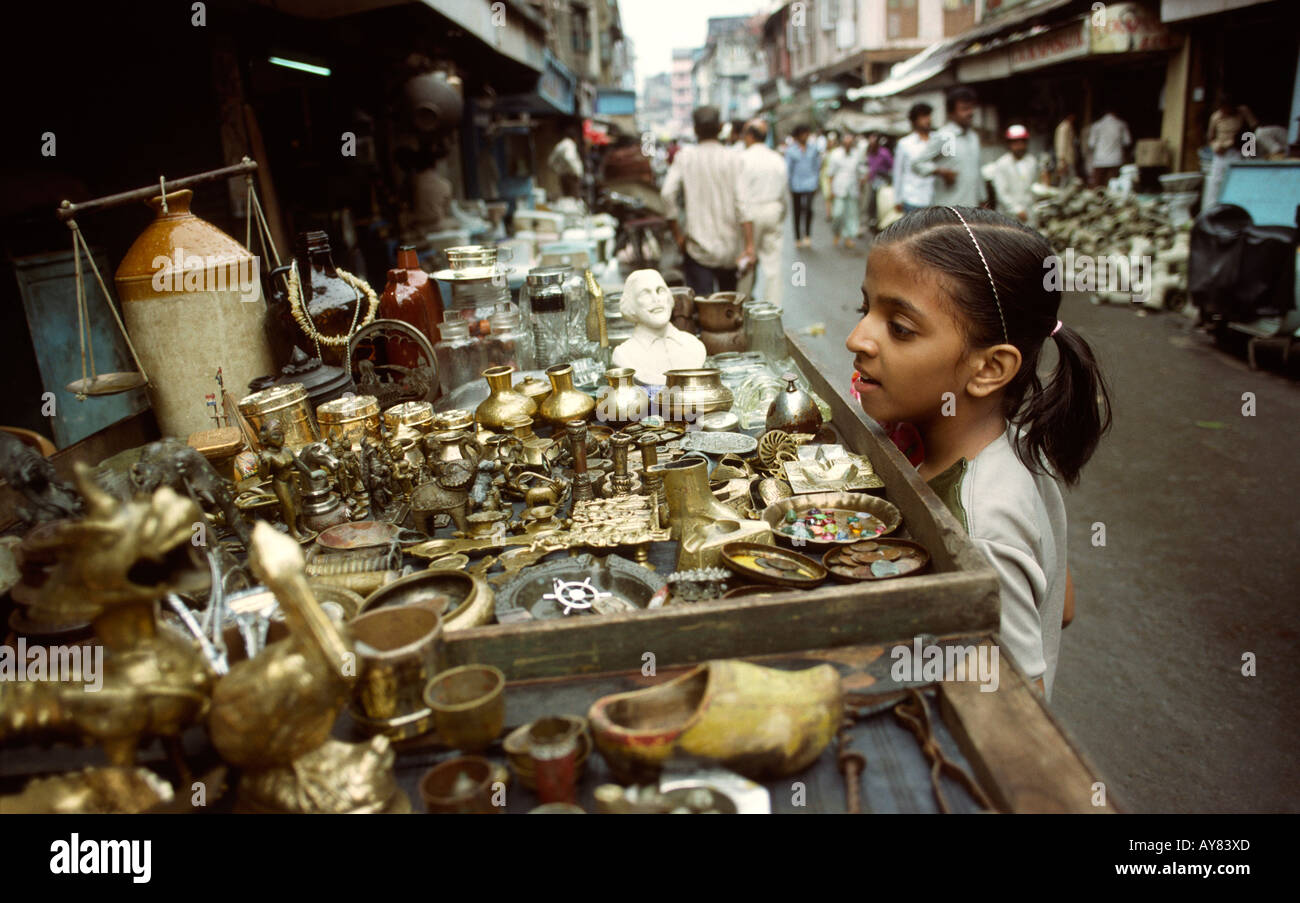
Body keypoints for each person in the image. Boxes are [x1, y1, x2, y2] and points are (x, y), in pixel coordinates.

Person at [846, 206, 1112, 697]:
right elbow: (1062, 602)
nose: (857, 338)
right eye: (864, 310)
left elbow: (1017, 706)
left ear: (989, 369)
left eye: (900, 328)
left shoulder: (981, 524)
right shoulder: (1011, 443)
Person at [662, 106, 747, 297]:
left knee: (702, 308)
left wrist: (677, 234)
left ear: (695, 129)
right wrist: (749, 246)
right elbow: (743, 204)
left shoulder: (685, 157)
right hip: (730, 248)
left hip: (697, 248)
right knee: (728, 308)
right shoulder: (733, 158)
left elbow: (667, 193)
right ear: (720, 127)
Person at [736, 119, 790, 306]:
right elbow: (784, 194)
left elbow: (741, 199)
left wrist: (748, 239)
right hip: (773, 210)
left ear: (750, 136)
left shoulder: (743, 158)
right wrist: (781, 215)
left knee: (747, 262)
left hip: (752, 213)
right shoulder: (777, 158)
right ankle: (772, 309)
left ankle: (742, 306)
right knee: (772, 266)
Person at [913, 87, 987, 208]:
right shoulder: (945, 136)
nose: (970, 113)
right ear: (951, 113)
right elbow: (917, 163)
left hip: (972, 208)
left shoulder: (973, 137)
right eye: (964, 109)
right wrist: (939, 171)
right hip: (949, 210)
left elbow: (977, 171)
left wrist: (983, 199)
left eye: (971, 108)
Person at [1203, 92, 1258, 208]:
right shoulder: (1216, 117)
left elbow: (1254, 128)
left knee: (1238, 178)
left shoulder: (1242, 111)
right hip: (1221, 151)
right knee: (1215, 180)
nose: (1226, 110)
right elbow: (1210, 138)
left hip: (1238, 149)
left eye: (1228, 107)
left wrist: (1248, 148)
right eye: (1223, 108)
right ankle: (1211, 208)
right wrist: (1215, 146)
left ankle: (1237, 206)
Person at [990, 124, 1040, 226]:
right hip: (1008, 216)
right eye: (1016, 143)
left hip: (1029, 214)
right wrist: (1017, 210)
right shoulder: (1002, 164)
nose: (1019, 146)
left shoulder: (1032, 162)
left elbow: (1034, 186)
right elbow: (1002, 193)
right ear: (1009, 144)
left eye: (1022, 142)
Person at [892, 102, 934, 215]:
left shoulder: (937, 141)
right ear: (914, 120)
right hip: (912, 199)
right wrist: (897, 199)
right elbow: (898, 172)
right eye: (923, 117)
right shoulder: (905, 144)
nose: (927, 120)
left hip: (934, 199)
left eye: (928, 116)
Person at [785, 124, 821, 249]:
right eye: (802, 134)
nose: (805, 136)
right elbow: (788, 169)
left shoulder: (813, 149)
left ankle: (807, 235)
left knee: (809, 209)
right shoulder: (791, 151)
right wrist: (788, 185)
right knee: (797, 211)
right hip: (796, 184)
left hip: (810, 183)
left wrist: (817, 182)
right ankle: (797, 237)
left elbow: (817, 167)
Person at [825, 132, 863, 249]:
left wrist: (861, 185)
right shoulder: (835, 155)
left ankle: (847, 237)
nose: (848, 144)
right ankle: (836, 232)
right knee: (838, 213)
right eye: (846, 141)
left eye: (850, 142)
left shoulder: (857, 154)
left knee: (851, 215)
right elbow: (830, 174)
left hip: (852, 189)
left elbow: (860, 172)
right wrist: (830, 190)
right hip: (839, 188)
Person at [1087, 106, 1131, 188]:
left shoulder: (1097, 125)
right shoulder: (1121, 125)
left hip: (1100, 159)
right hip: (1116, 159)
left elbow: (1091, 144)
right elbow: (1127, 142)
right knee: (1114, 185)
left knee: (1098, 185)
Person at [862, 132, 894, 233]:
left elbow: (892, 166)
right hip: (873, 182)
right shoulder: (870, 152)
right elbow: (870, 167)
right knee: (871, 203)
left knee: (879, 203)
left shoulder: (884, 153)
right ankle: (872, 221)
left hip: (882, 182)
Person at [547, 126, 585, 198]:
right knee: (573, 199)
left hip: (563, 175)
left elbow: (550, 161)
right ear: (574, 137)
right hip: (571, 176)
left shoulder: (560, 145)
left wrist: (558, 170)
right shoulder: (569, 144)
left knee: (566, 197)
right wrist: (576, 171)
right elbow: (569, 158)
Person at [1053, 112, 1079, 185]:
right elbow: (1061, 143)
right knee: (1065, 179)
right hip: (1066, 158)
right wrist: (1062, 159)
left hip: (1068, 157)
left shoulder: (1068, 126)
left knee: (1067, 178)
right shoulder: (1064, 127)